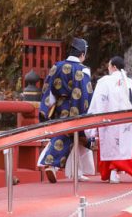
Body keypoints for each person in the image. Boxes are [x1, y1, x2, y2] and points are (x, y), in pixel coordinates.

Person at [37, 37, 94, 183]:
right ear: (82, 54)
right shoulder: (82, 70)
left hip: (60, 106)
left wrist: (45, 109)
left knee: (65, 136)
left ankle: (75, 171)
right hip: (76, 106)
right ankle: (52, 165)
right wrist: (84, 112)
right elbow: (84, 94)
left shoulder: (57, 66)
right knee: (76, 138)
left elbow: (48, 90)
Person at [86, 56, 132, 183]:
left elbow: (98, 102)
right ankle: (116, 171)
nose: (108, 69)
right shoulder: (130, 83)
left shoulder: (104, 82)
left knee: (110, 146)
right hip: (126, 123)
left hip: (108, 122)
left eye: (109, 66)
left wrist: (95, 121)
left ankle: (112, 171)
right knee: (125, 147)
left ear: (114, 67)